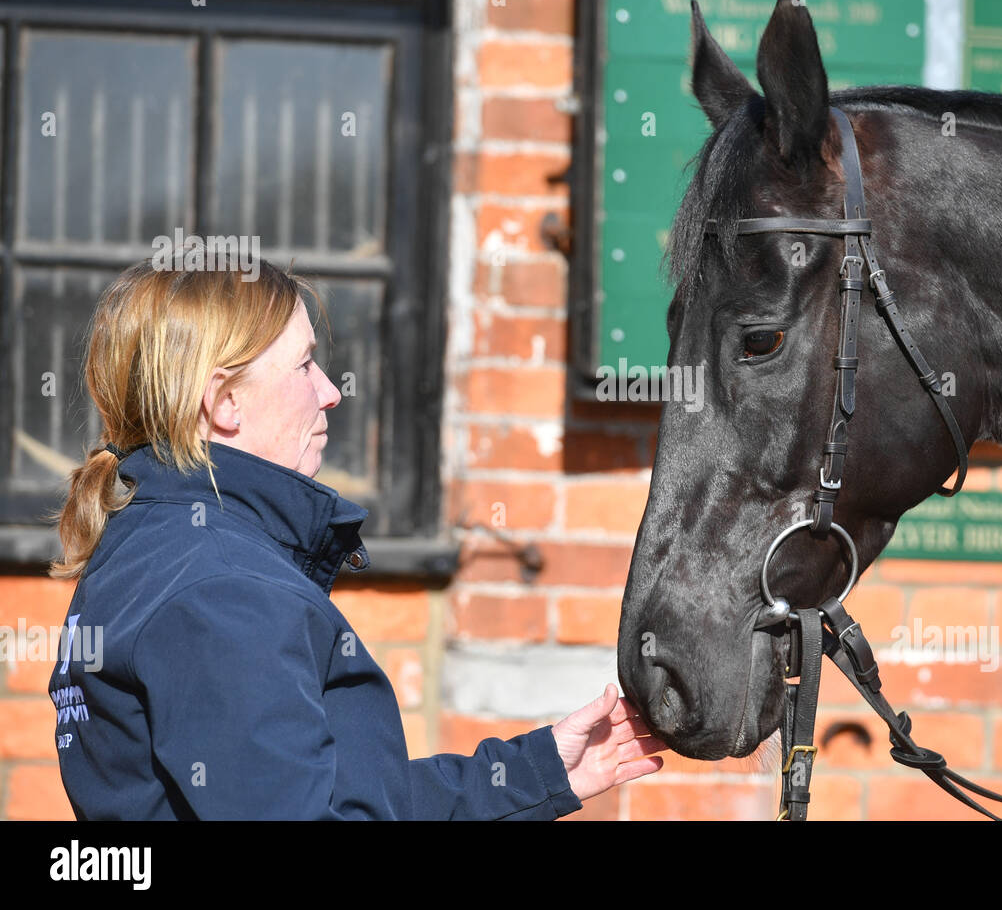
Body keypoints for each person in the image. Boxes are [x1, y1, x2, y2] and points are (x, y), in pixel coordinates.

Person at [46, 254, 666, 819]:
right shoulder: (222, 588)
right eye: (305, 364)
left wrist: (535, 773)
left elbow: (336, 799)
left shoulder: (154, 551)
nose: (330, 392)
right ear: (224, 401)